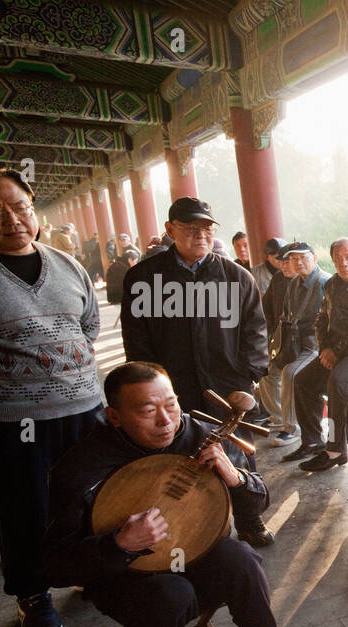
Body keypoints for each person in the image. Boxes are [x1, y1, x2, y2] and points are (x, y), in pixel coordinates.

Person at [44, 362, 291, 627]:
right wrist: (118, 544)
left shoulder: (201, 435)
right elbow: (58, 566)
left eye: (171, 405)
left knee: (241, 559)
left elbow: (256, 506)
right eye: (147, 411)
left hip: (196, 555)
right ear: (114, 417)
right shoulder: (80, 468)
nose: (165, 421)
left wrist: (236, 478)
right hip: (123, 578)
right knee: (171, 593)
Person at [0, 164, 104, 627]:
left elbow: (89, 325)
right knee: (24, 506)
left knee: (88, 496)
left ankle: (87, 568)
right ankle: (32, 594)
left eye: (20, 207)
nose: (12, 220)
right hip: (10, 421)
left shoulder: (68, 265)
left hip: (83, 410)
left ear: (34, 209)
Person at [119, 196, 273, 547]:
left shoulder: (236, 276)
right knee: (178, 457)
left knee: (238, 456)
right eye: (190, 228)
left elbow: (256, 332)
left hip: (228, 388)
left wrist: (249, 378)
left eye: (207, 228)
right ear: (170, 230)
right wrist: (150, 387)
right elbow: (136, 340)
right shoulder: (145, 278)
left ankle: (249, 519)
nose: (200, 234)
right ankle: (188, 528)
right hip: (172, 389)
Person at [289, 237, 348, 471]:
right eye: (338, 259)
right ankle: (312, 440)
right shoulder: (332, 284)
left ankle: (336, 449)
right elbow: (321, 318)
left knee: (338, 382)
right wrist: (324, 350)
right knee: (302, 380)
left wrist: (336, 353)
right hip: (334, 351)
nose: (344, 263)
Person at [261, 241, 327, 447]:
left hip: (314, 344)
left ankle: (292, 429)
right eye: (294, 258)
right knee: (265, 370)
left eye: (303, 258)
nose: (298, 262)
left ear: (314, 258)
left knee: (290, 373)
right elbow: (284, 316)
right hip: (293, 343)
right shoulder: (293, 282)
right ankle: (279, 418)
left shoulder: (325, 282)